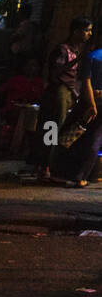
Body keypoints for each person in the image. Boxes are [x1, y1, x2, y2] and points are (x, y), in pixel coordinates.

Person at [32, 16, 93, 177]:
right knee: (52, 127)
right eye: (87, 30)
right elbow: (56, 72)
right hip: (58, 92)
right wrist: (77, 61)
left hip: (68, 92)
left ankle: (45, 164)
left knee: (55, 128)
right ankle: (44, 165)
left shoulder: (76, 51)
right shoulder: (63, 50)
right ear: (76, 31)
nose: (89, 34)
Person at [50, 40, 102, 187]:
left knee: (73, 134)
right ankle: (82, 176)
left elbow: (86, 83)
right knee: (95, 138)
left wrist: (91, 103)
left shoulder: (92, 56)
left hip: (89, 102)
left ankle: (61, 172)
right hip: (96, 101)